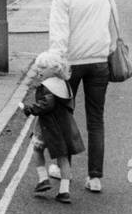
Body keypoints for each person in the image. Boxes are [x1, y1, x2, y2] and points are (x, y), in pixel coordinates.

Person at [48, 0, 113, 194]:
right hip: (99, 62)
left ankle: (63, 169)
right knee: (96, 120)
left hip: (71, 64)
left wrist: (55, 65)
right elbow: (111, 25)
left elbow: (59, 36)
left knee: (65, 117)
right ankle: (95, 178)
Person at [19, 50, 84, 203]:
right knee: (63, 157)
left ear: (54, 69)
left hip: (47, 126)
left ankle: (43, 179)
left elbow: (46, 105)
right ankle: (64, 191)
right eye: (38, 68)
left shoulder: (46, 86)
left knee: (37, 149)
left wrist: (30, 109)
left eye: (42, 68)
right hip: (65, 126)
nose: (38, 71)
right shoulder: (65, 85)